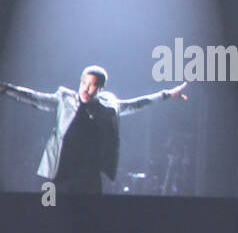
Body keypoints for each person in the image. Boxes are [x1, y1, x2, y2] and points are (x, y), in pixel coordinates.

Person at [0, 67, 188, 194]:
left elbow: (137, 103)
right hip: (56, 175)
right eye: (84, 83)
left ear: (101, 88)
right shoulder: (65, 99)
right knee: (48, 213)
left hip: (87, 177)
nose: (86, 89)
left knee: (87, 218)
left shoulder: (109, 108)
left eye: (92, 85)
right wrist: (6, 89)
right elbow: (35, 98)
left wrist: (167, 95)